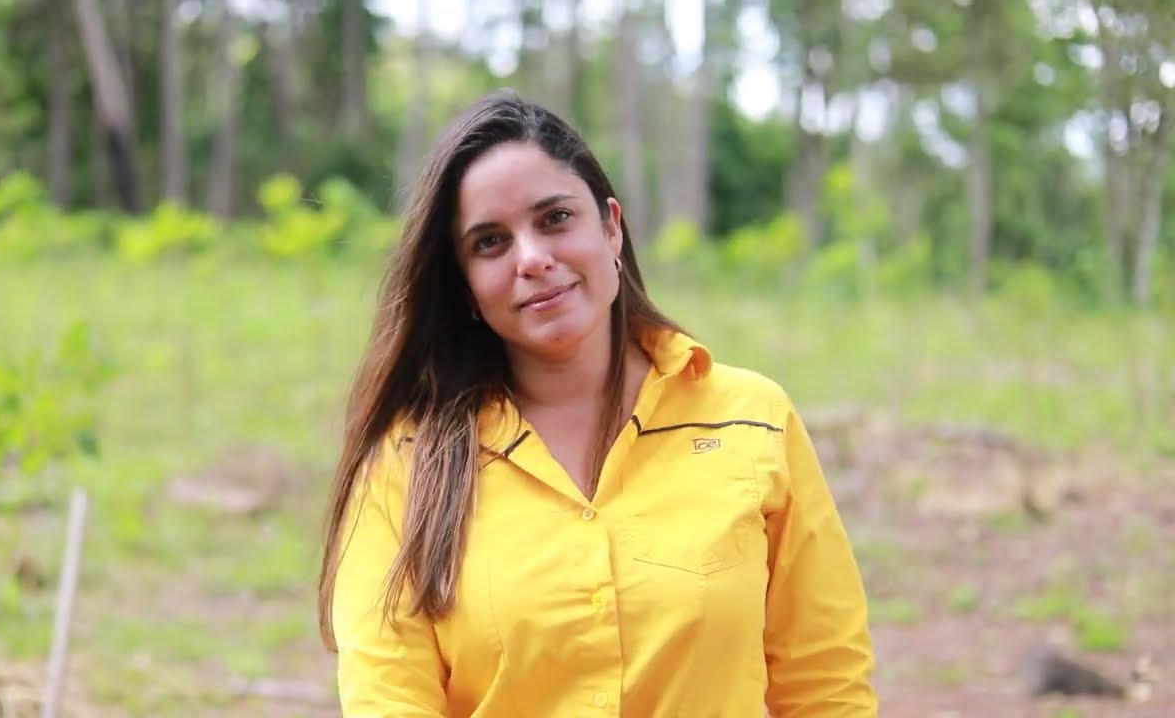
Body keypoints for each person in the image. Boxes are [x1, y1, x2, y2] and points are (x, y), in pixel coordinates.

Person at [317, 89, 878, 717]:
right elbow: (389, 700)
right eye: (490, 243)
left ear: (612, 226)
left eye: (555, 218)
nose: (533, 259)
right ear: (467, 287)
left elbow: (826, 684)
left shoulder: (753, 421)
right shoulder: (406, 462)